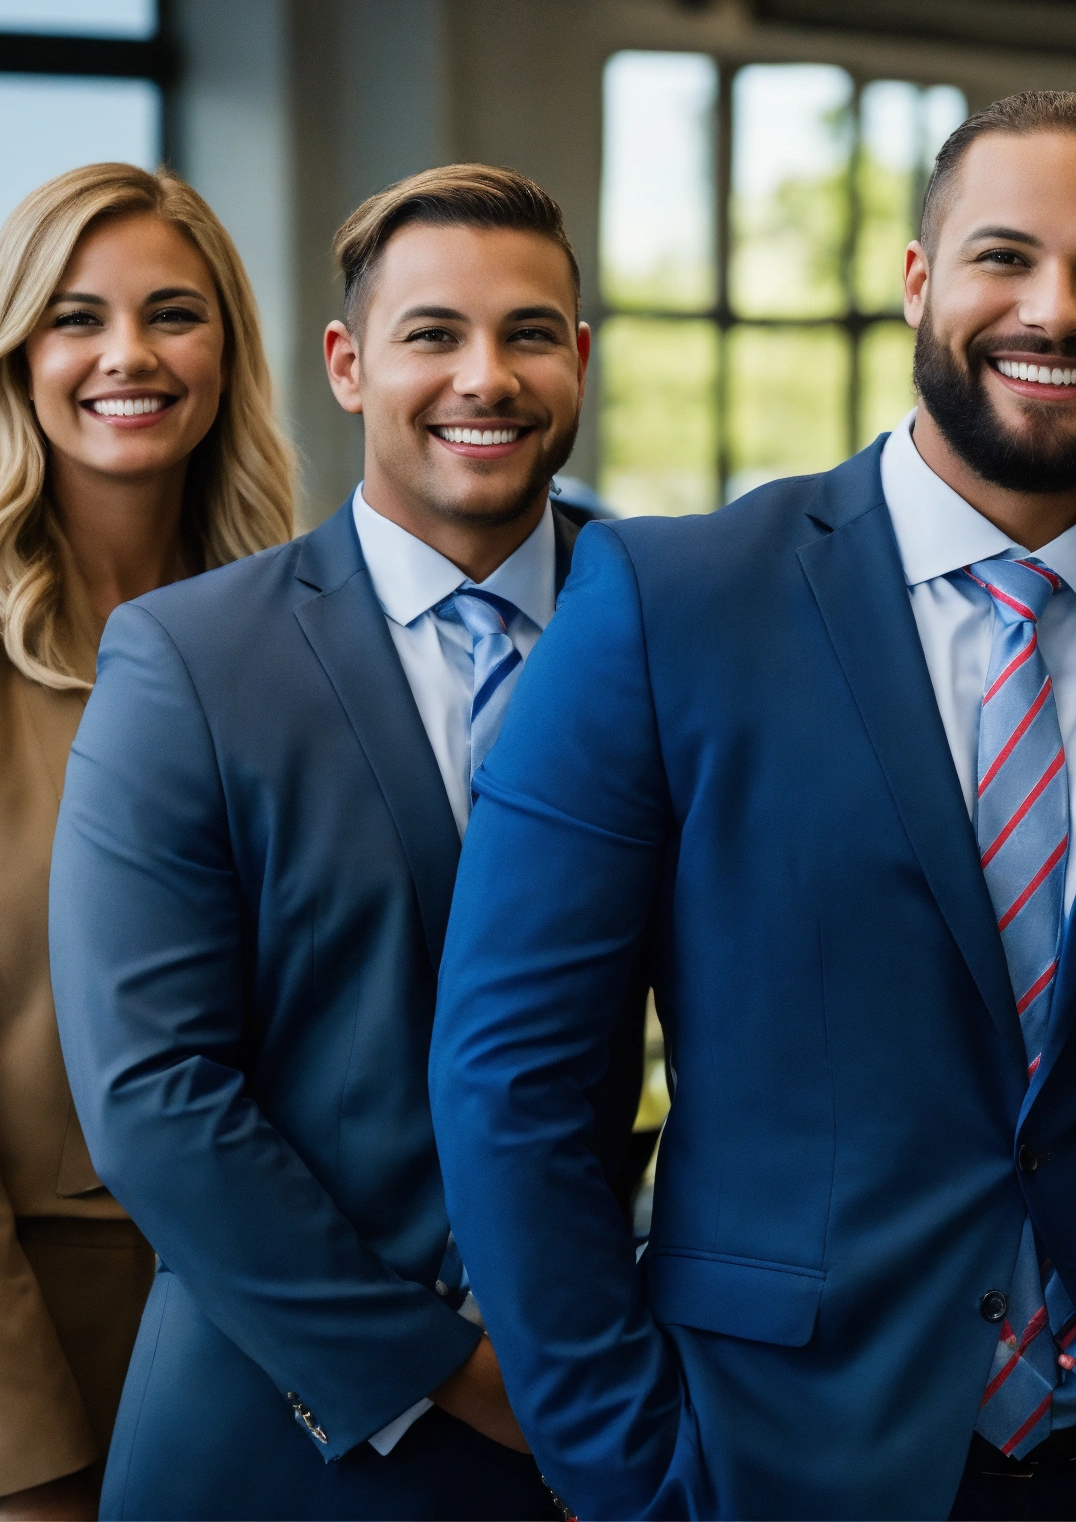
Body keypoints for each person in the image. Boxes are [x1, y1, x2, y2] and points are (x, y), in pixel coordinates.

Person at [425, 92, 1076, 1520]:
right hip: (774, 1457)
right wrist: (628, 1471)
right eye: (1005, 257)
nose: (1054, 310)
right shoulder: (670, 605)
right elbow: (511, 1076)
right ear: (919, 281)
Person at [49, 164, 638, 1520]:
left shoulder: (671, 626)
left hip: (606, 1430)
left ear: (578, 357)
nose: (485, 377)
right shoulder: (189, 659)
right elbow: (151, 1091)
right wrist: (450, 1371)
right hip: (274, 1441)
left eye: (529, 334)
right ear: (348, 364)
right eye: (434, 334)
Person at [0, 164, 294, 1522]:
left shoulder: (291, 646)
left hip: (265, 1361)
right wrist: (30, 1466)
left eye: (173, 313)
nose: (129, 355)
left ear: (228, 351)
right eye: (76, 318)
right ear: (15, 357)